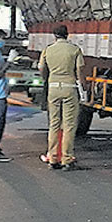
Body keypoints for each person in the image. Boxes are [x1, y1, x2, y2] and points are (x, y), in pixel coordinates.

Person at [39, 25, 86, 171]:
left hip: (53, 88)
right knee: (69, 125)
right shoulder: (74, 50)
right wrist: (83, 88)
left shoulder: (48, 50)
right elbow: (80, 70)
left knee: (54, 124)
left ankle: (53, 158)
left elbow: (41, 68)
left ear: (55, 35)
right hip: (69, 88)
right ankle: (67, 159)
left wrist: (47, 79)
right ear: (67, 34)